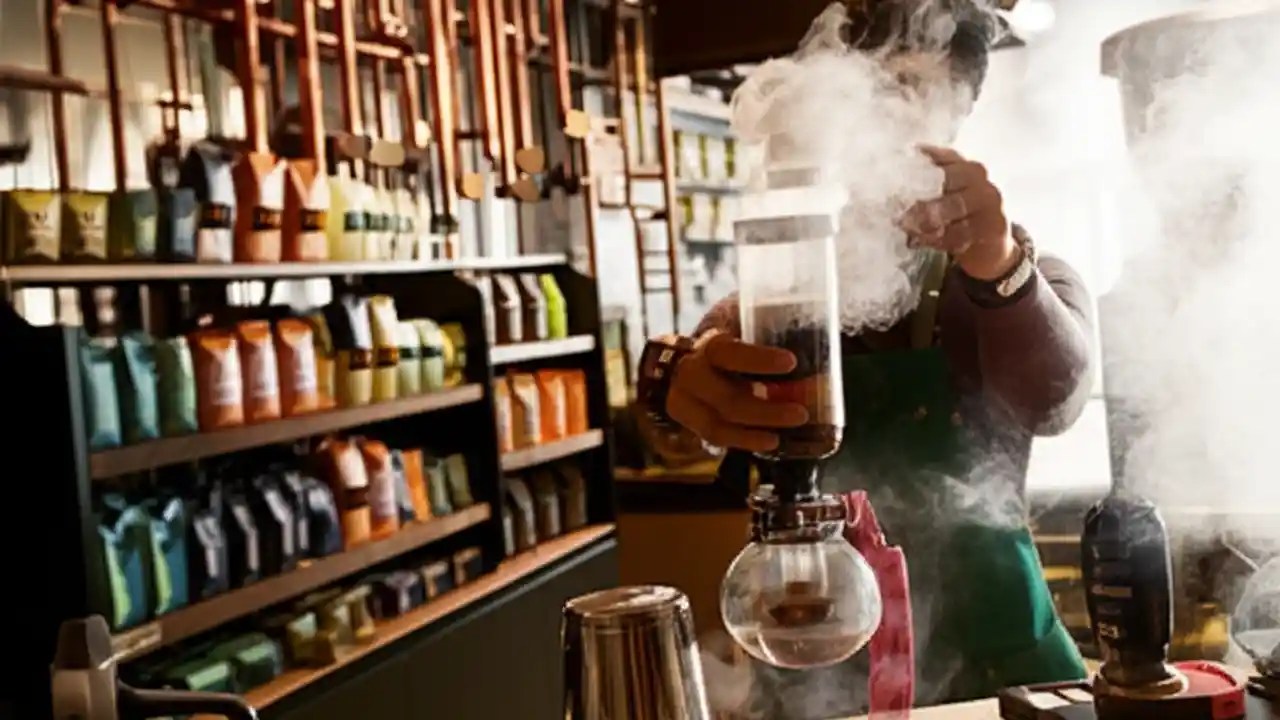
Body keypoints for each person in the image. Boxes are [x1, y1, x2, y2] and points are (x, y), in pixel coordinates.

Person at [638, 2, 1094, 717]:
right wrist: (672, 373)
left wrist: (997, 261)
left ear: (956, 114)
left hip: (999, 674)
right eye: (859, 84)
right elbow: (690, 406)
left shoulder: (1016, 274)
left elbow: (1055, 398)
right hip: (813, 663)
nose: (877, 110)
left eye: (908, 85)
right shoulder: (789, 294)